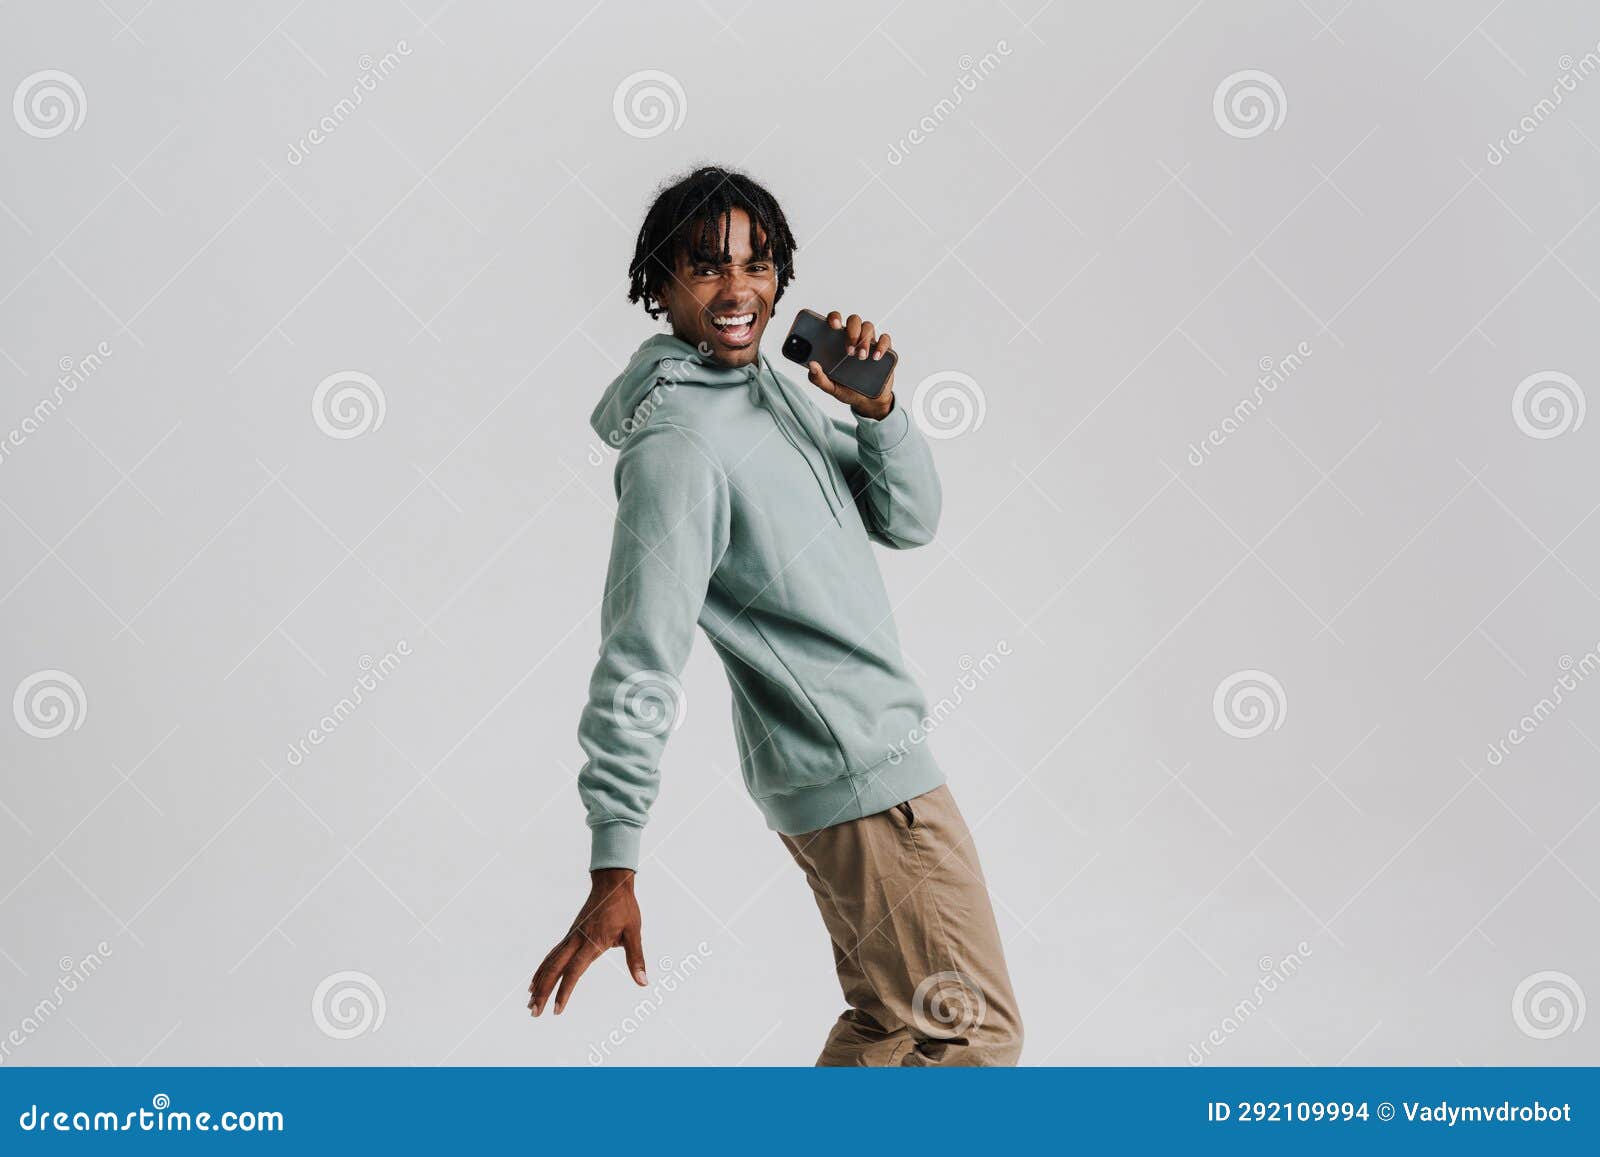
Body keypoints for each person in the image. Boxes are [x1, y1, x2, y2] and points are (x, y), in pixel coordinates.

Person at [528, 165, 1022, 1066]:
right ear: (660, 284)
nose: (737, 290)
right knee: (973, 1032)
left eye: (756, 265)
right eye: (707, 267)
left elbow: (907, 520)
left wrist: (878, 412)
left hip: (863, 763)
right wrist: (615, 858)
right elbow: (638, 656)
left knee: (890, 1023)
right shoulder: (679, 445)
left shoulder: (773, 390)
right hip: (862, 775)